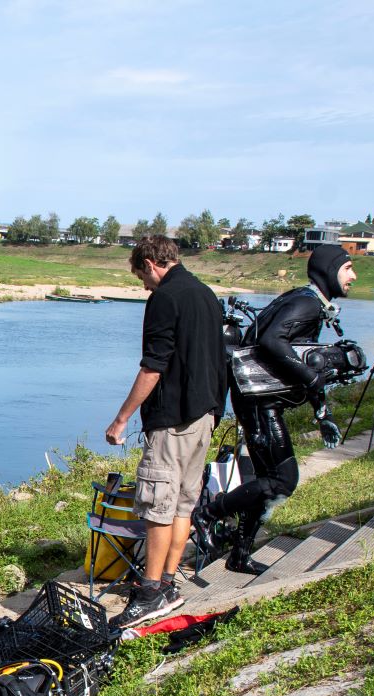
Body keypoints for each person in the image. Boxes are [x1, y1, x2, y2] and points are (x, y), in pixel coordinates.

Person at [192, 246, 352, 573]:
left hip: (259, 402)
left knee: (267, 482)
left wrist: (322, 414)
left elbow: (303, 356)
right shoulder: (306, 303)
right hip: (259, 405)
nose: (353, 276)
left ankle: (239, 554)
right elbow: (272, 342)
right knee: (283, 480)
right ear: (329, 270)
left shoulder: (307, 301)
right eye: (348, 268)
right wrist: (312, 380)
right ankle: (207, 515)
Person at [104, 235, 227, 629]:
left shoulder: (165, 298)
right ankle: (170, 583)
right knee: (183, 504)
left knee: (158, 504)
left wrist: (122, 417)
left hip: (174, 419)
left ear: (151, 264)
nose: (143, 284)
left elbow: (153, 367)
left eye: (141, 274)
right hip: (204, 415)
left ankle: (150, 591)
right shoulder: (206, 294)